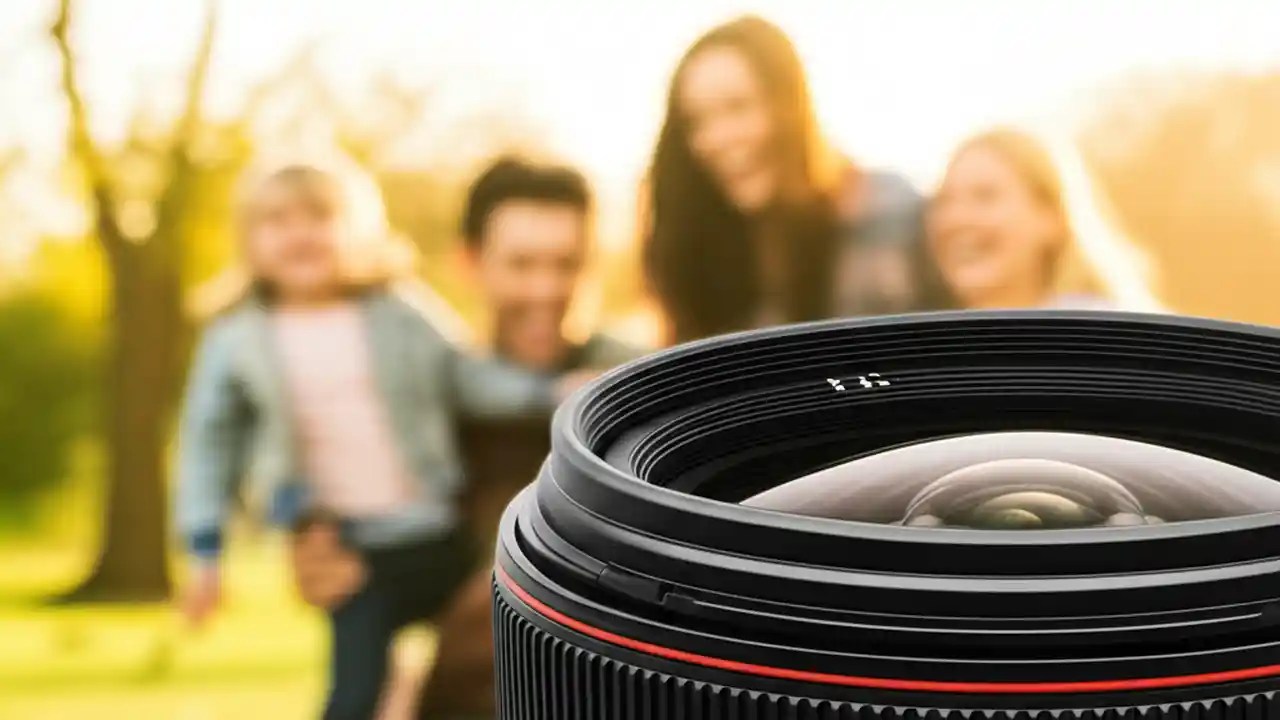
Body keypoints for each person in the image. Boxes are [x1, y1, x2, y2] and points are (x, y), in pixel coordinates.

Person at [174, 163, 562, 720]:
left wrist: (548, 394)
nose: (300, 233)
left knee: (500, 659)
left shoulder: (397, 309)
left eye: (320, 216)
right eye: (277, 220)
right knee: (354, 696)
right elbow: (208, 443)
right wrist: (205, 553)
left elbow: (465, 375)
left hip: (435, 527)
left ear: (360, 231)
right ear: (248, 239)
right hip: (350, 550)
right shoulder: (235, 337)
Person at [418, 157, 642, 718]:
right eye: (521, 264)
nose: (546, 289)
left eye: (566, 264)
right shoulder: (428, 402)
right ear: (470, 264)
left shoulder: (637, 392)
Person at [643, 15, 948, 344]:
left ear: (790, 106)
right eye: (696, 121)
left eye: (738, 107)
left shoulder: (892, 214)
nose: (717, 138)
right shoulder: (711, 258)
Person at [928, 128, 1162, 310]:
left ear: (1054, 217)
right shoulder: (929, 354)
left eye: (985, 197)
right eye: (944, 201)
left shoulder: (1108, 341)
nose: (955, 218)